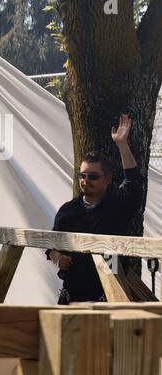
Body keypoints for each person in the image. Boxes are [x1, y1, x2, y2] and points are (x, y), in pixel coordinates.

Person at [46, 114, 143, 304]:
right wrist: (58, 258)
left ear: (107, 179)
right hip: (72, 297)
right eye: (82, 176)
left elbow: (134, 183)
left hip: (110, 296)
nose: (85, 181)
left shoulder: (117, 206)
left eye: (92, 176)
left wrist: (122, 145)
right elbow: (51, 245)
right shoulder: (68, 210)